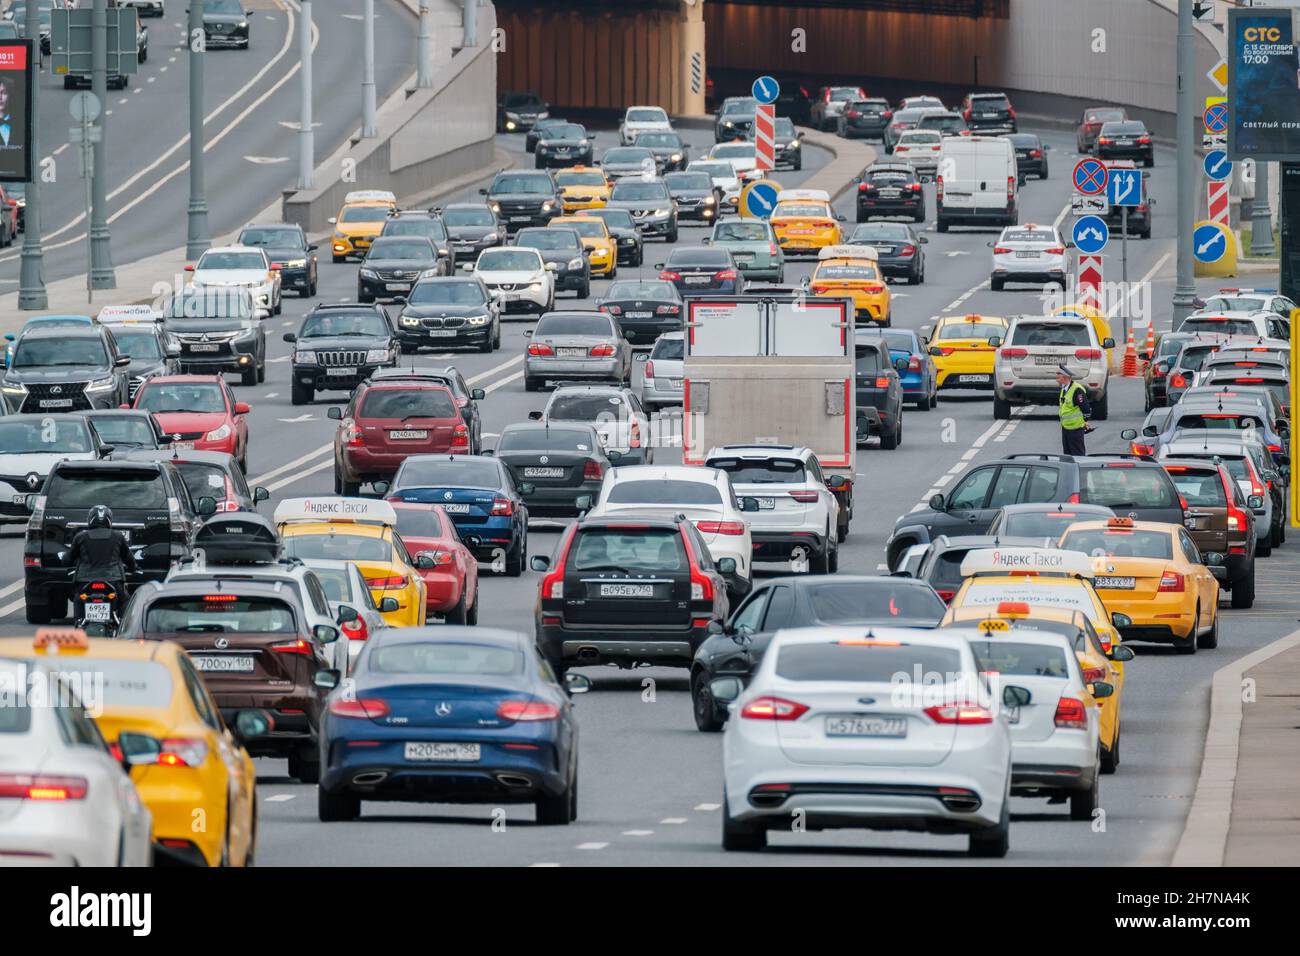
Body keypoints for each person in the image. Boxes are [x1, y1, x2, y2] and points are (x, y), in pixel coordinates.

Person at [68, 505, 138, 613]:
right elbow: (129, 559)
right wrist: (134, 568)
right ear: (109, 520)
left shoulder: (80, 537)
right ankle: (123, 627)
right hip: (113, 580)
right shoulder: (118, 536)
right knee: (125, 600)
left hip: (84, 582)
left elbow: (67, 560)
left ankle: (79, 622)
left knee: (78, 600)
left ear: (90, 519)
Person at [1057, 365, 1093, 456]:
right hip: (1066, 427)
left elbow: (1086, 408)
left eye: (1058, 377)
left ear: (1065, 377)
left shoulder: (1077, 390)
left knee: (1078, 456)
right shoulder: (1064, 389)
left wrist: (1085, 422)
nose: (1056, 379)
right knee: (1067, 456)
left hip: (1075, 429)